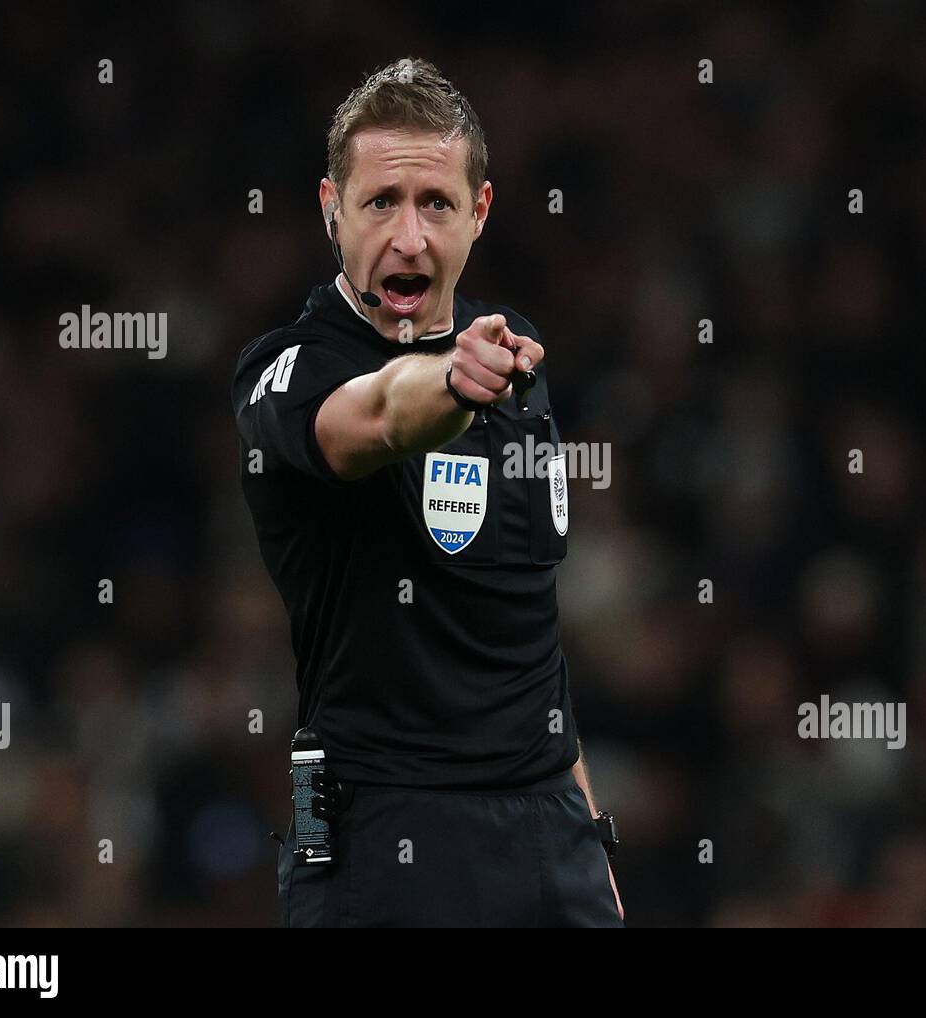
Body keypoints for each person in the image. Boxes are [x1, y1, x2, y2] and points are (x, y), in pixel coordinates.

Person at [232, 57, 623, 927]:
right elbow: (377, 414)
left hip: (550, 839)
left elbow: (529, 630)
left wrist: (591, 844)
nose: (409, 237)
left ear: (479, 213)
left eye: (436, 204)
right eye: (381, 203)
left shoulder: (512, 356)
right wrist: (451, 381)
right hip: (383, 838)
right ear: (331, 209)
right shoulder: (288, 371)